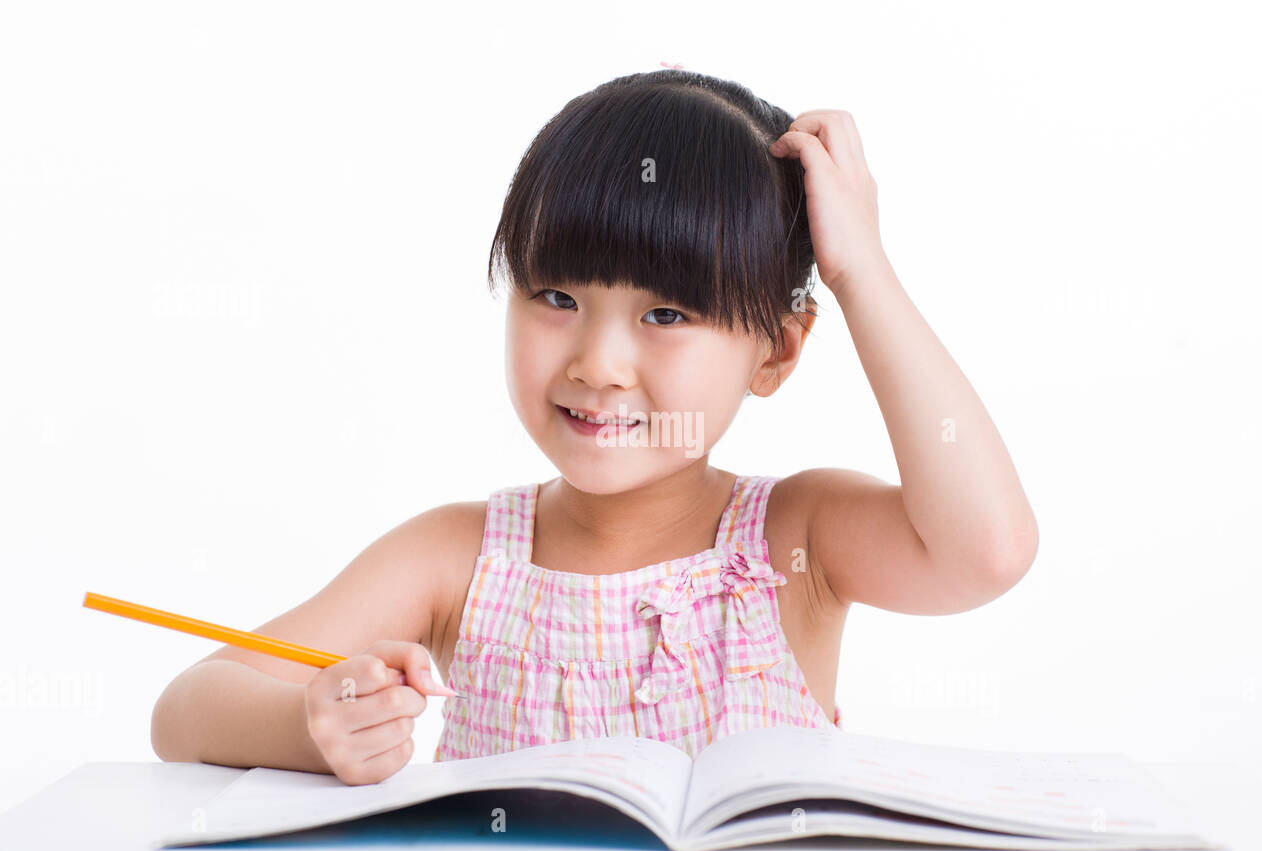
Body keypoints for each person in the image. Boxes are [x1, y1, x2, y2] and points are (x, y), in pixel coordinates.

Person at [152, 68, 1038, 785]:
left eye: (665, 316)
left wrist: (862, 271)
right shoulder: (458, 558)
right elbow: (189, 704)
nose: (596, 364)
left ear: (775, 353)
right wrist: (311, 724)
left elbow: (987, 550)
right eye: (557, 296)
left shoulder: (793, 542)